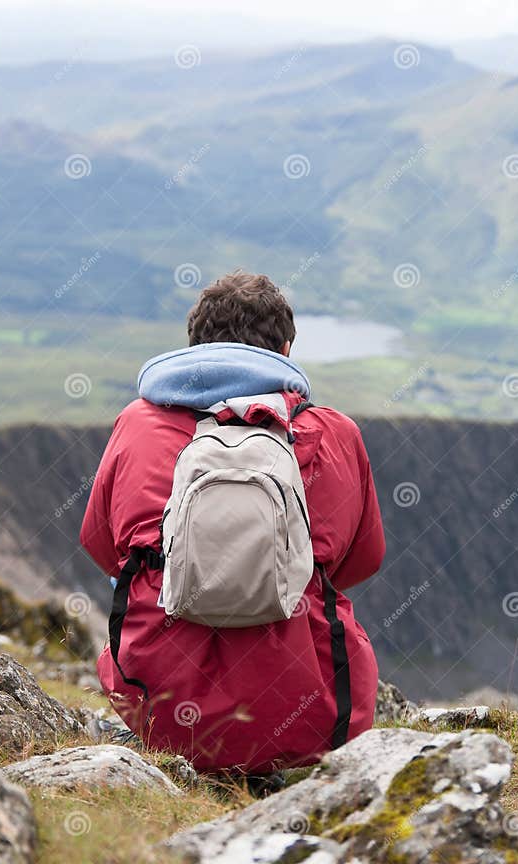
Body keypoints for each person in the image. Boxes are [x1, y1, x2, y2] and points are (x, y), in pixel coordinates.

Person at [80, 271, 385, 778]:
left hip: (162, 711)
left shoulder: (136, 424)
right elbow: (363, 560)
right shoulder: (334, 433)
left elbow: (100, 546)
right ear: (285, 350)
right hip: (311, 718)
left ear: (194, 347)